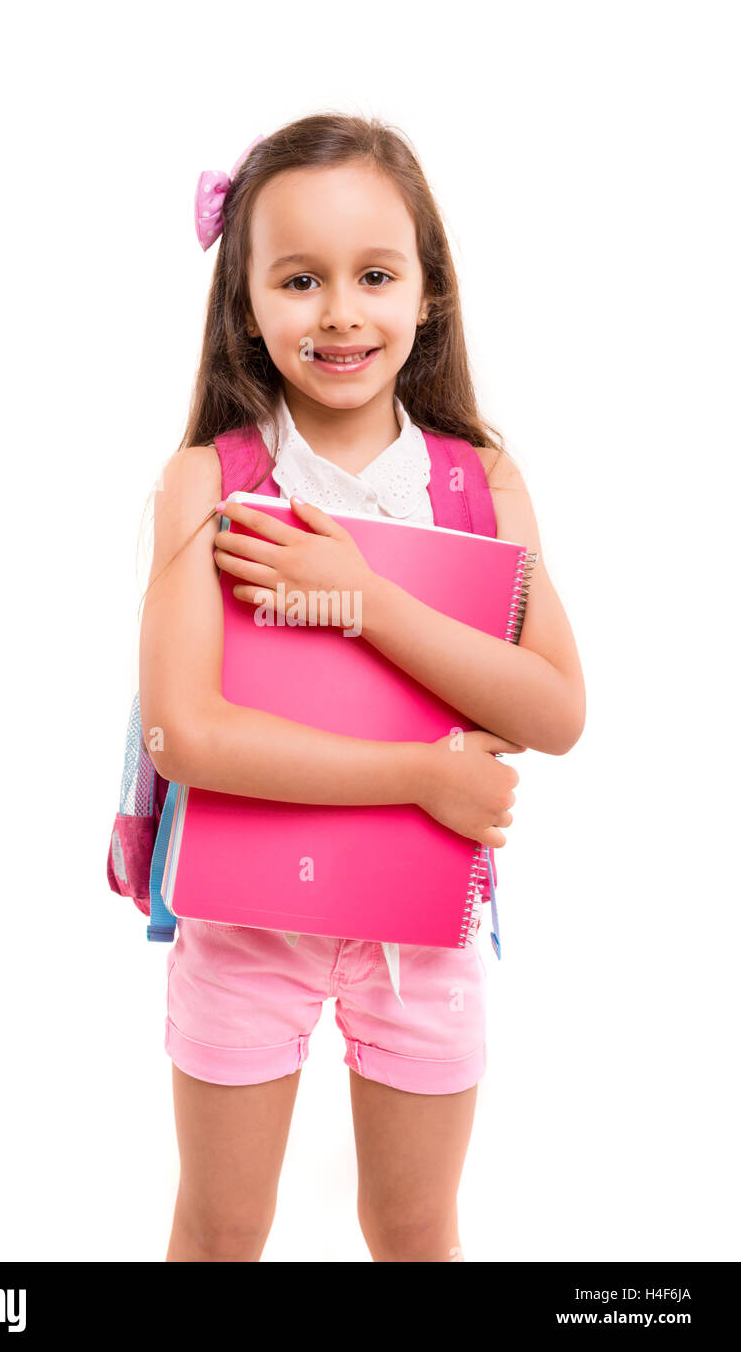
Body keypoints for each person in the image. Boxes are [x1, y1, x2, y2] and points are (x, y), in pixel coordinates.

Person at [138, 112, 586, 1262]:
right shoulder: (207, 482)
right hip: (245, 927)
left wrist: (363, 594)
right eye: (298, 279)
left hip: (421, 930)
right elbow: (185, 734)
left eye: (374, 274)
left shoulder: (477, 480)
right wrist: (419, 776)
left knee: (411, 1226)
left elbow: (553, 712)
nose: (340, 311)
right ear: (244, 303)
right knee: (221, 1225)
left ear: (426, 291)